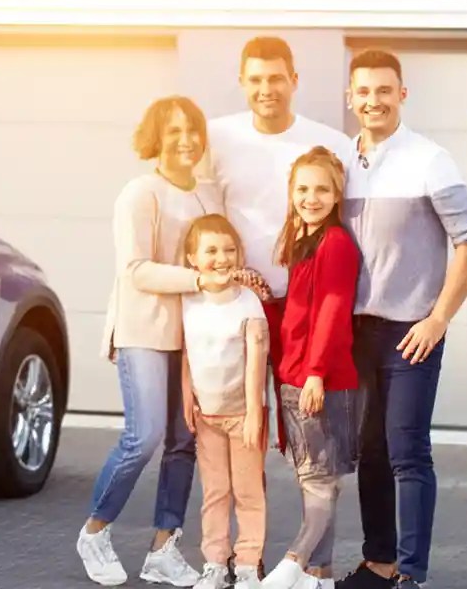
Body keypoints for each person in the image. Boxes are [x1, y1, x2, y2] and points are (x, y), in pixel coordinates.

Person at [336, 49, 467, 589]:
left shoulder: (431, 160)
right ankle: (378, 562)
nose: (372, 100)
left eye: (384, 90)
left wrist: (438, 318)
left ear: (402, 94)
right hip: (357, 332)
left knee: (406, 451)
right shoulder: (341, 159)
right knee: (369, 450)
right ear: (349, 97)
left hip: (410, 333)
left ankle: (412, 573)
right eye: (363, 91)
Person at [77, 95, 229, 588]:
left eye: (192, 130)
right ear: (155, 139)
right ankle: (95, 532)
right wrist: (198, 279)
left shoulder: (209, 196)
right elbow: (136, 269)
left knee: (183, 442)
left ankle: (164, 548)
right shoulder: (141, 192)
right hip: (143, 329)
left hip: (191, 336)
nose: (185, 139)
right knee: (142, 437)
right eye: (173, 131)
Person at [207, 37, 356, 450]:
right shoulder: (218, 138)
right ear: (242, 82)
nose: (266, 89)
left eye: (276, 78)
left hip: (301, 310)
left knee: (303, 432)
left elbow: (349, 224)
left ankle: (313, 511)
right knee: (242, 428)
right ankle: (252, 514)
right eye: (255, 79)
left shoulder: (329, 145)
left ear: (294, 80)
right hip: (238, 303)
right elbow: (203, 215)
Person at [261, 147, 361, 589]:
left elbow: (333, 310)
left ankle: (292, 565)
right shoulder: (303, 243)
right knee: (311, 479)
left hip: (321, 379)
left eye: (322, 188)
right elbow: (298, 314)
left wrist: (316, 372)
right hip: (294, 375)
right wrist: (264, 301)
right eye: (303, 188)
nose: (311, 197)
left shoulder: (336, 243)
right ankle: (319, 575)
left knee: (320, 479)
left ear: (337, 193)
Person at [179, 213, 269, 589]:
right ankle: (215, 563)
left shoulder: (247, 302)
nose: (221, 257)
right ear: (192, 259)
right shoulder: (189, 301)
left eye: (229, 249)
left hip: (242, 414)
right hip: (207, 415)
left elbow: (256, 359)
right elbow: (187, 353)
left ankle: (247, 564)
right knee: (214, 493)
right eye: (211, 250)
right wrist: (187, 397)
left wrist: (252, 413)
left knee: (248, 493)